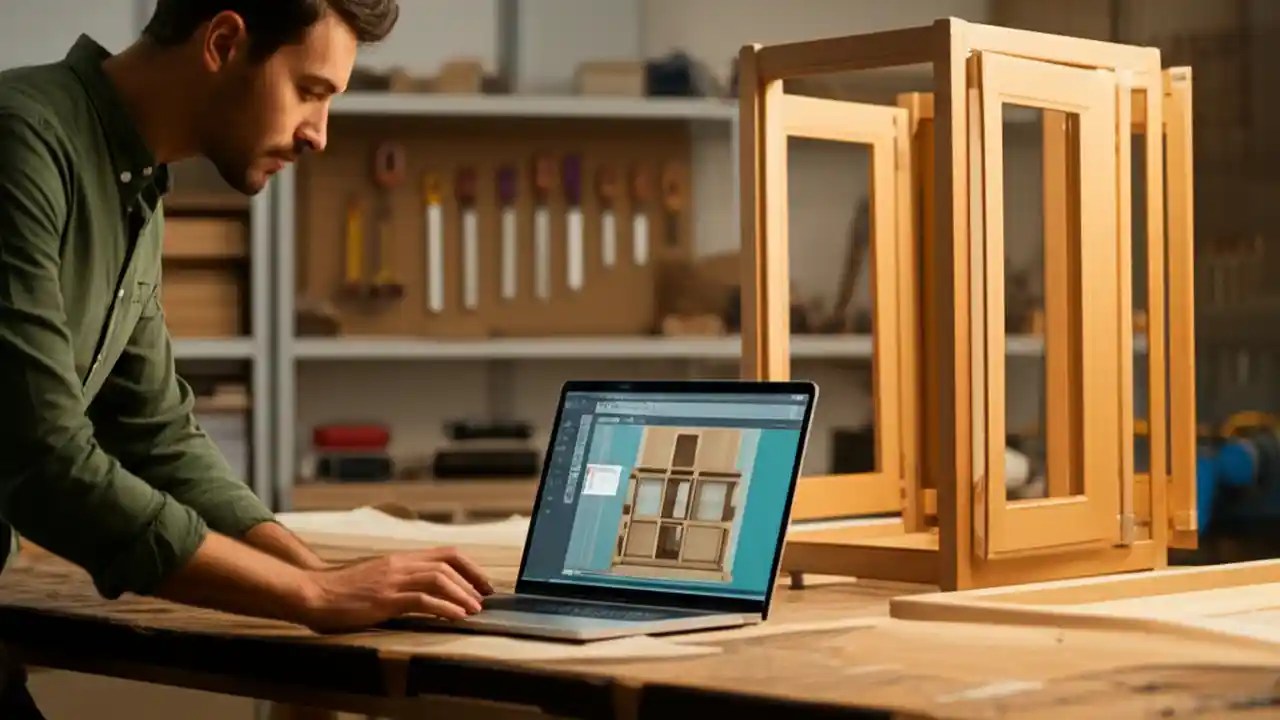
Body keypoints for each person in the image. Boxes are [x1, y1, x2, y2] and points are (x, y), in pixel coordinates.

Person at [0, 2, 493, 715]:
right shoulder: (24, 143)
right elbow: (44, 462)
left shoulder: (131, 183)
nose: (318, 135)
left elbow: (154, 435)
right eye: (310, 91)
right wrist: (312, 595)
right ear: (225, 41)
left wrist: (318, 571)